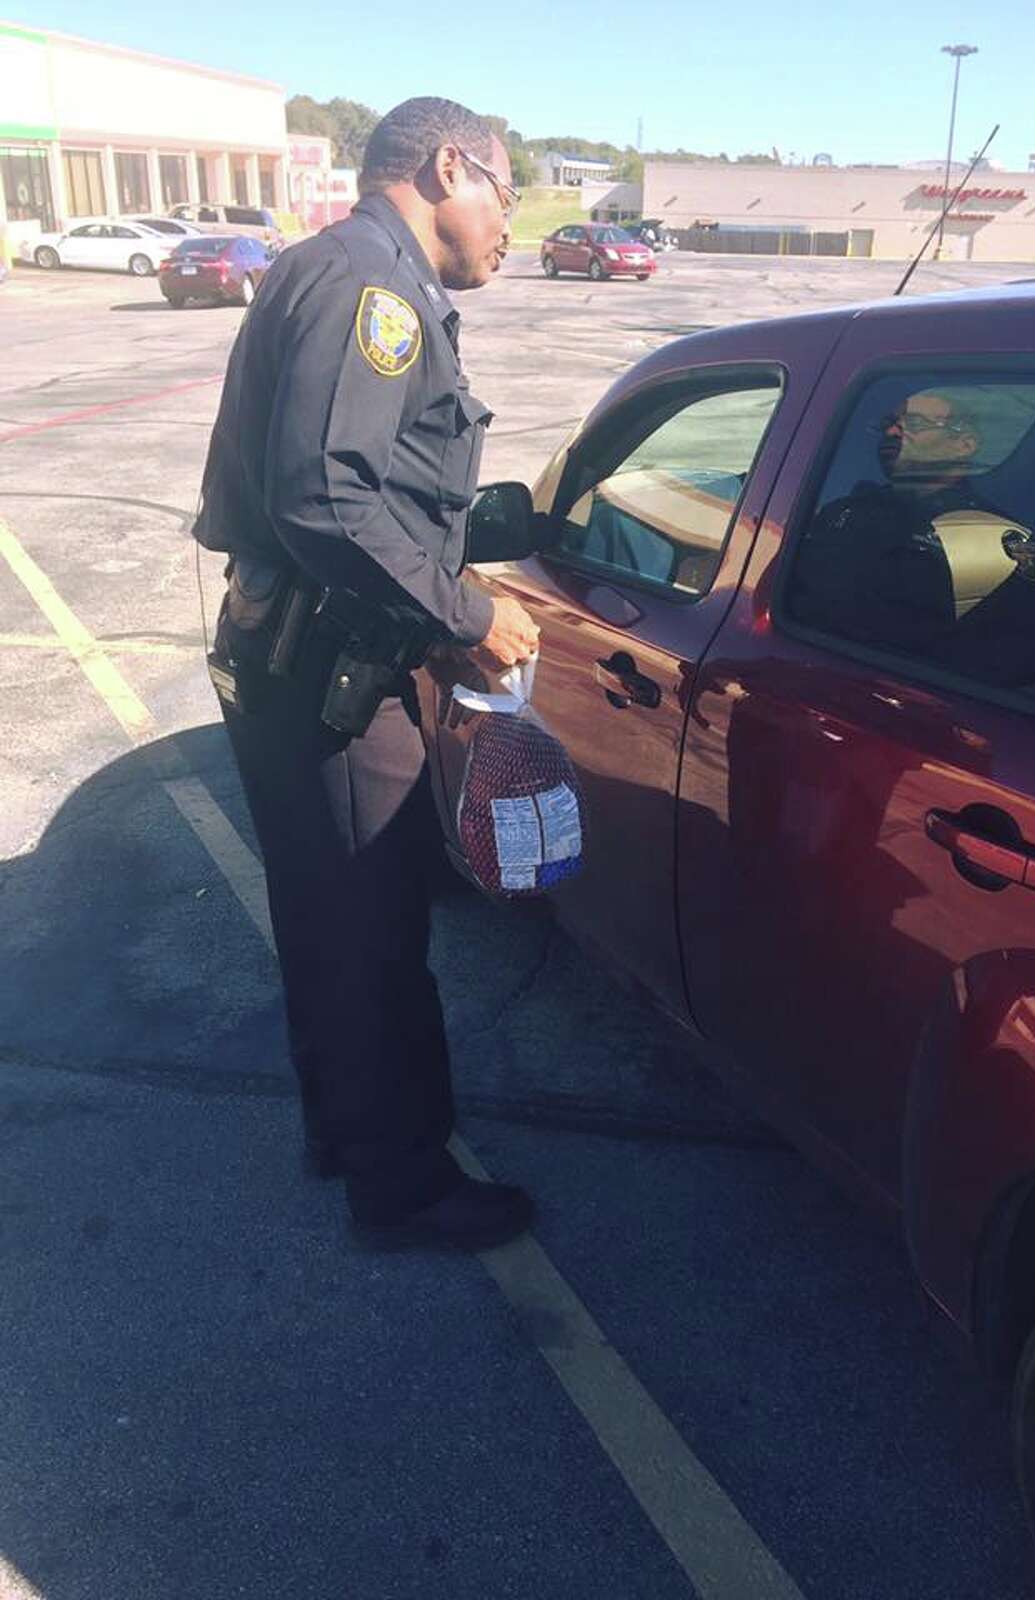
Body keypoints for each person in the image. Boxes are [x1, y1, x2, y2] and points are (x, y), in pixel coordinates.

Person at [192, 98, 541, 1250]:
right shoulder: (374, 293)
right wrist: (466, 612)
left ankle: (345, 1130)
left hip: (289, 652)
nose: (510, 224)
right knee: (375, 934)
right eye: (507, 192)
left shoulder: (332, 267)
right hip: (329, 673)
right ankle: (406, 1184)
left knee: (325, 919)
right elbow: (329, 497)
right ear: (450, 168)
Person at [789, 388, 1035, 688]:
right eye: (889, 423)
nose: (892, 431)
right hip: (795, 673)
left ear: (964, 444)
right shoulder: (845, 509)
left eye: (913, 424)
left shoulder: (990, 538)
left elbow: (1006, 665)